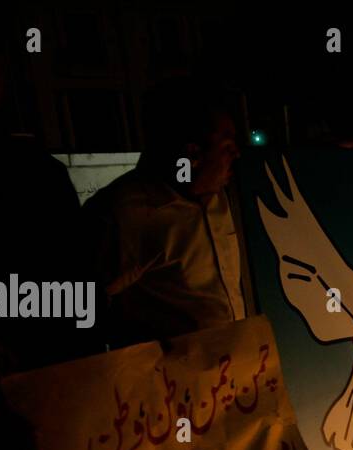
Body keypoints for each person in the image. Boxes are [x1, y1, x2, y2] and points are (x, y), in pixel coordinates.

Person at [82, 78, 246, 349]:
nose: (237, 155)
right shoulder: (124, 213)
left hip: (235, 373)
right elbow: (86, 302)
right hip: (170, 383)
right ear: (192, 154)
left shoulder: (223, 200)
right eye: (227, 147)